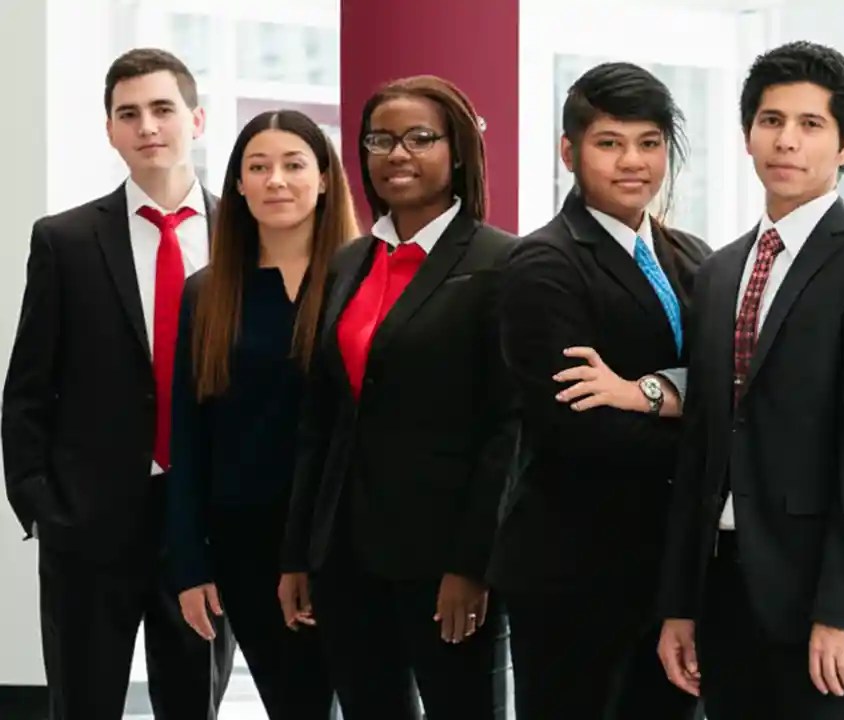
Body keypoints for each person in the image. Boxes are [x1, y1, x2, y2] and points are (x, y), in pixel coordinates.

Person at [656, 41, 844, 720]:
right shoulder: (719, 272)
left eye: (811, 125)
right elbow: (701, 448)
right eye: (771, 120)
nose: (787, 141)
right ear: (747, 134)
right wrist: (680, 605)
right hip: (720, 588)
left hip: (820, 600)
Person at [2, 47, 234, 719]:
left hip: (206, 524)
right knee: (82, 702)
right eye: (128, 114)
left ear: (196, 118)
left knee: (193, 703)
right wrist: (41, 502)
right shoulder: (65, 241)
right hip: (89, 523)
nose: (147, 126)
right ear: (109, 130)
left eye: (162, 109)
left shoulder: (241, 240)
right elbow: (26, 390)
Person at [279, 75, 516, 719]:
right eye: (380, 140)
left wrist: (473, 564)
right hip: (345, 555)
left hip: (443, 561)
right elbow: (320, 421)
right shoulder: (347, 263)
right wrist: (299, 552)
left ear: (458, 150)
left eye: (419, 138)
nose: (397, 154)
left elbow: (509, 429)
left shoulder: (502, 264)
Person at [489, 61, 708, 720]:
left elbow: (738, 386)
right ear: (569, 151)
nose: (632, 162)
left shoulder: (693, 259)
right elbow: (578, 426)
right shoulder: (543, 264)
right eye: (609, 143)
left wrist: (645, 393)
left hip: (669, 574)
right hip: (571, 573)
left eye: (649, 144)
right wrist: (713, 450)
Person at [166, 109, 358, 718]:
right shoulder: (209, 291)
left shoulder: (362, 280)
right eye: (258, 167)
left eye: (294, 164)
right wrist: (189, 564)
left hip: (349, 538)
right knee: (293, 704)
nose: (276, 180)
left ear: (325, 178)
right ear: (238, 185)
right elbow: (190, 436)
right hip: (247, 542)